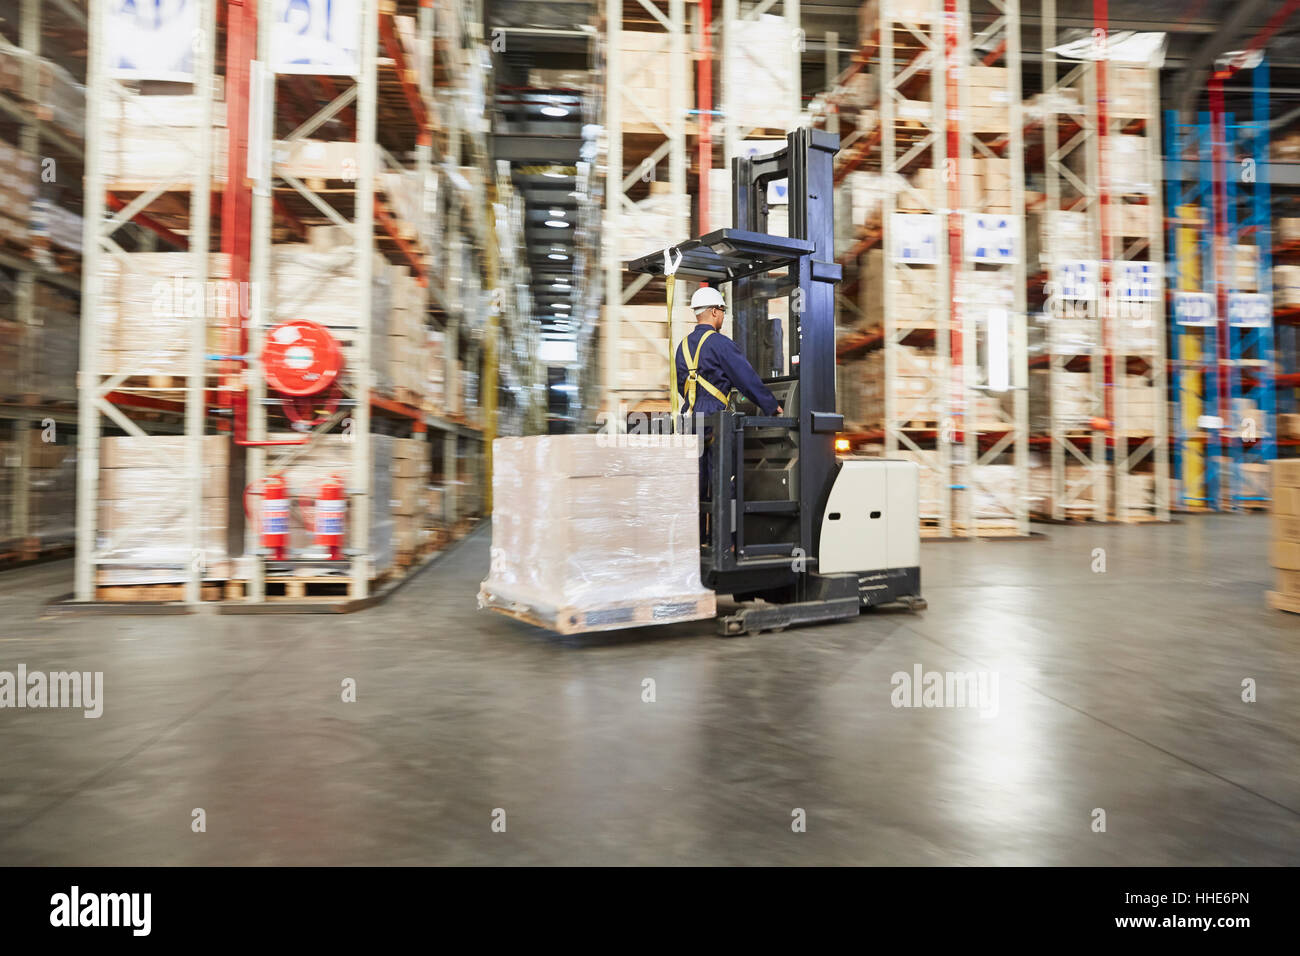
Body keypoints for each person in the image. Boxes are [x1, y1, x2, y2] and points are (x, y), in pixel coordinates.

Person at [675, 286, 782, 542]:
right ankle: (727, 543)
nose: (723, 316)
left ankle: (698, 542)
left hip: (690, 420)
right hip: (716, 420)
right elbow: (746, 379)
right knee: (725, 483)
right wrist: (771, 406)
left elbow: (683, 385)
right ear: (714, 311)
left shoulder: (682, 348)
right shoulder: (721, 344)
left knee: (695, 487)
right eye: (722, 310)